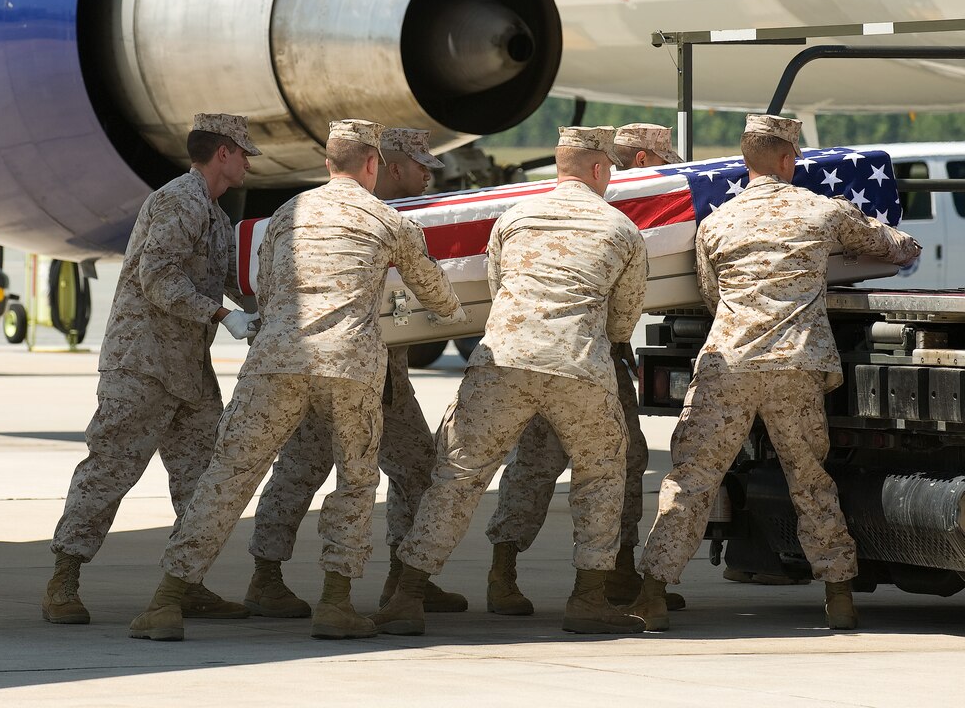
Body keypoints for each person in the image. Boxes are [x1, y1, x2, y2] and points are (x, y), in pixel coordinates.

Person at [129, 119, 466, 642]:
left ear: (328, 163)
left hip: (273, 363)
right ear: (373, 163)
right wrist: (455, 313)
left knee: (228, 478)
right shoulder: (387, 221)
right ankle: (335, 604)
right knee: (355, 485)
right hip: (350, 368)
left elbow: (263, 282)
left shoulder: (289, 213)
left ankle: (167, 600)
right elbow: (435, 294)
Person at [631, 114, 922, 632]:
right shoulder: (821, 210)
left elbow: (709, 294)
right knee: (810, 480)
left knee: (692, 479)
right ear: (789, 159)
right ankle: (839, 598)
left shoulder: (716, 223)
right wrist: (905, 247)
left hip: (730, 366)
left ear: (746, 160)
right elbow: (892, 246)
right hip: (796, 366)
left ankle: (652, 593)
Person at [372, 126, 648, 636]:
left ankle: (406, 594)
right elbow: (621, 322)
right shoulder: (621, 229)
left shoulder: (515, 217)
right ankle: (589, 596)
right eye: (607, 168)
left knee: (456, 477)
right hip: (578, 367)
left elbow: (499, 288)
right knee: (603, 473)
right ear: (596, 169)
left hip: (502, 361)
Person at [41, 113, 261, 625]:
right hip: (141, 366)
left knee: (203, 479)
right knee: (109, 470)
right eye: (244, 152)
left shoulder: (216, 217)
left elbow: (232, 280)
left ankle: (188, 581)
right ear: (222, 153)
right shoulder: (176, 201)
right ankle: (62, 580)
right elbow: (156, 277)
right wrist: (222, 314)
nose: (249, 162)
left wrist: (269, 309)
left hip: (188, 371)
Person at [244, 128, 467, 619]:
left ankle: (404, 579)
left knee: (407, 469)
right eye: (419, 165)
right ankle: (270, 577)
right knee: (313, 471)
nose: (429, 174)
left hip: (366, 370)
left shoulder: (388, 219)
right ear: (386, 165)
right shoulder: (373, 219)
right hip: (347, 367)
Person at [482, 123, 685, 615]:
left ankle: (616, 569)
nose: (672, 173)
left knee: (627, 461)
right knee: (543, 464)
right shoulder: (620, 215)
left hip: (567, 354)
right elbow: (624, 309)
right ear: (638, 161)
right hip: (582, 356)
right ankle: (507, 572)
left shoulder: (605, 210)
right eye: (663, 162)